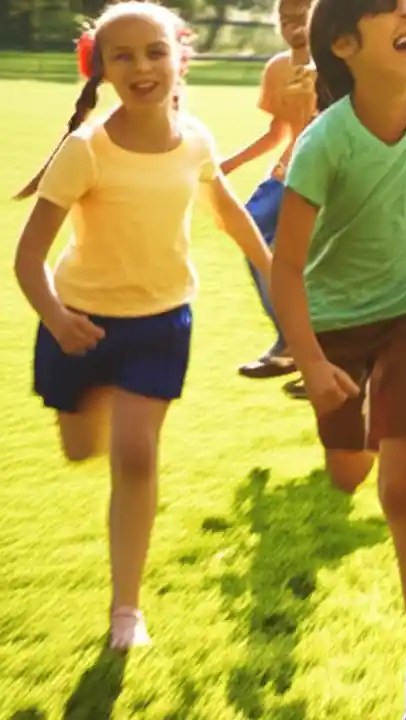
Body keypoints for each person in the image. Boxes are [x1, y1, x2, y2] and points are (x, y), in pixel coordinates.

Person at [12, 2, 271, 651]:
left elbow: (228, 209)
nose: (141, 66)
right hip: (81, 324)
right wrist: (58, 321)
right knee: (80, 449)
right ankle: (95, 400)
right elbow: (27, 256)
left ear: (180, 57)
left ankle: (125, 611)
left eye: (154, 51)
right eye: (122, 56)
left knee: (135, 454)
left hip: (161, 321)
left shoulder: (199, 139)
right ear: (100, 70)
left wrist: (273, 267)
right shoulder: (85, 150)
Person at [270, 0, 406, 716]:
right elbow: (285, 268)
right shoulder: (327, 142)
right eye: (390, 9)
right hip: (337, 326)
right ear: (345, 46)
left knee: (402, 489)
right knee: (351, 471)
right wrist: (311, 360)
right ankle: (371, 424)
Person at [220, 0, 317, 384]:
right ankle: (291, 339)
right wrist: (231, 163)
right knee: (250, 231)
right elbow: (278, 132)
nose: (293, 24)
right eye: (285, 17)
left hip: (324, 172)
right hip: (288, 170)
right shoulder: (277, 68)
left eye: (302, 15)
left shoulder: (338, 57)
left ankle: (309, 346)